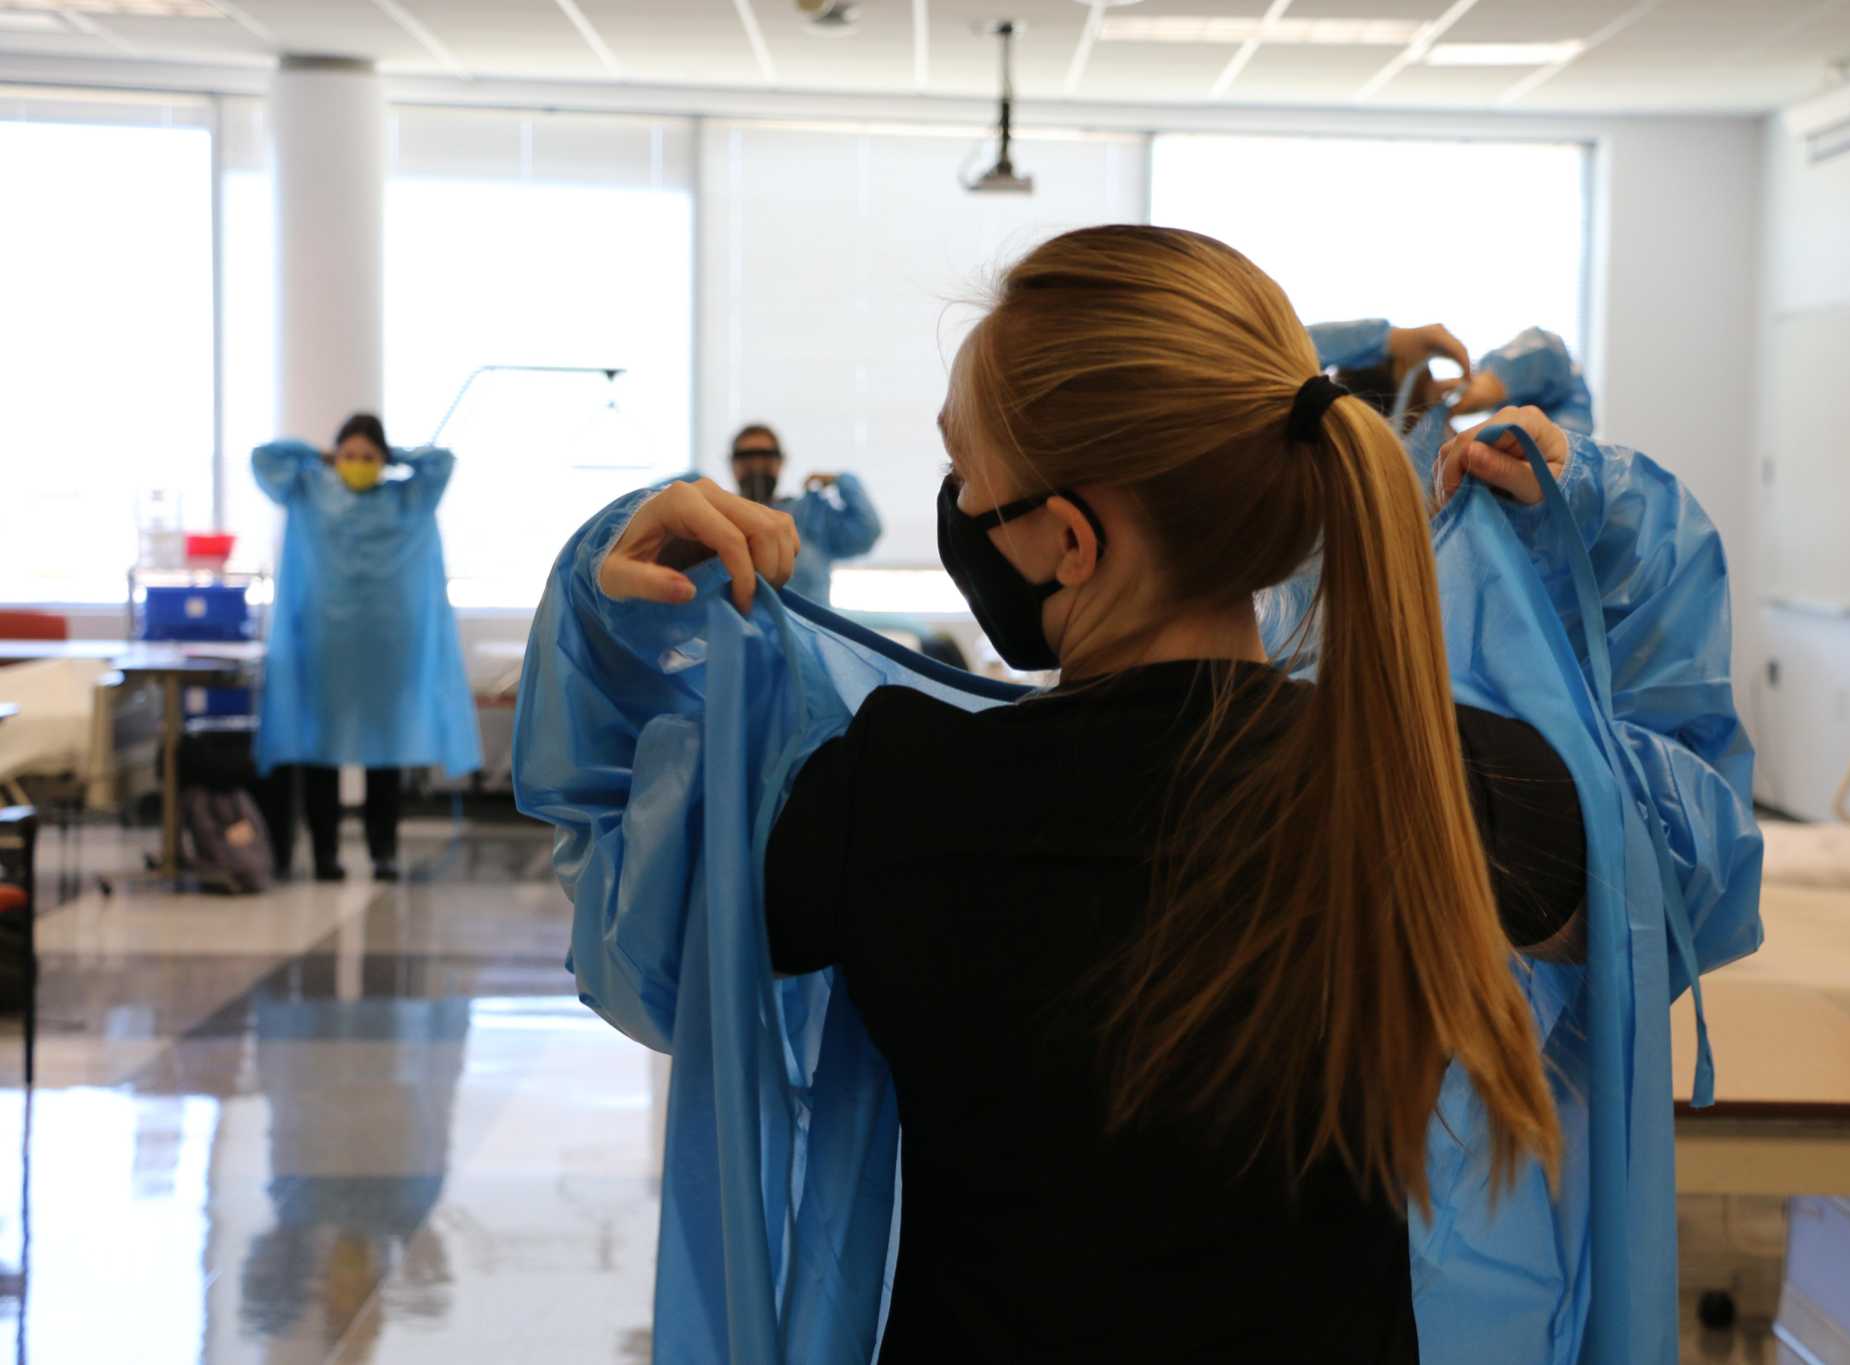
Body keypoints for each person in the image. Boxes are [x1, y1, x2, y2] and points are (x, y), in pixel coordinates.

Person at [517, 225, 1758, 1364]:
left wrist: (608, 593)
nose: (955, 509)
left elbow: (638, 905)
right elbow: (1677, 870)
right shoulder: (1429, 782)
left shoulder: (886, 799)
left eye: (964, 471)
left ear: (1069, 539)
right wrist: (1601, 538)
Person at [252, 413, 481, 882]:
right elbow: (264, 459)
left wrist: (398, 457)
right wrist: (317, 455)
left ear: (383, 459)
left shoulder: (405, 499)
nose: (356, 464)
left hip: (386, 650)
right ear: (335, 456)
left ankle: (384, 853)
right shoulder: (309, 492)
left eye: (367, 456)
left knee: (385, 754)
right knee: (320, 753)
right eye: (348, 455)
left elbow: (441, 463)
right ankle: (324, 856)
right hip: (323, 647)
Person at [1309, 316, 1596, 435]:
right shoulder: (1488, 501)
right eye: (1428, 390)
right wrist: (1501, 381)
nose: (1446, 392)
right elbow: (1570, 395)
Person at [728, 422, 881, 602]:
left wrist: (841, 480)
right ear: (732, 463)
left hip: (808, 629)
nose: (757, 465)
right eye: (746, 457)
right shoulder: (718, 516)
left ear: (781, 462)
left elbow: (866, 531)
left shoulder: (811, 513)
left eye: (766, 456)